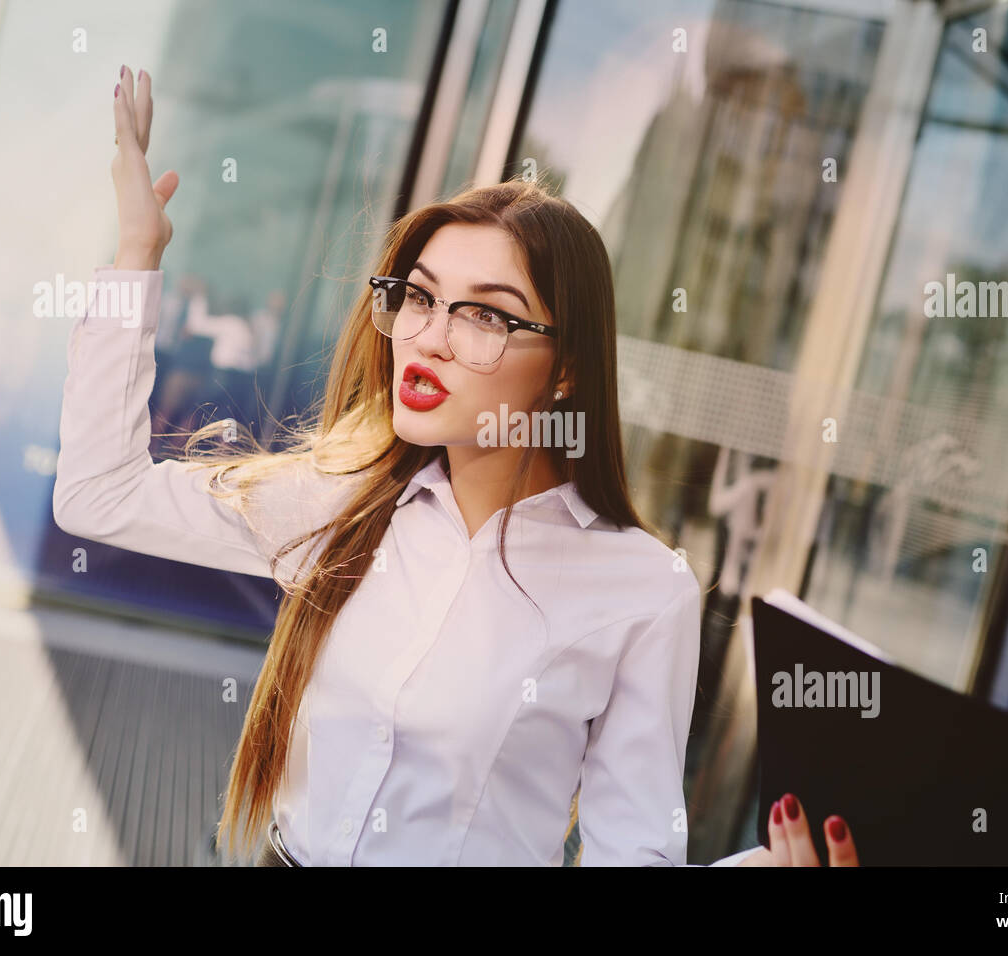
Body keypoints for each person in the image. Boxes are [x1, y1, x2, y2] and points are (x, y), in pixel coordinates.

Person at [54, 64, 859, 868]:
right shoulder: (343, 504)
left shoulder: (644, 591)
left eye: (483, 314)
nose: (429, 336)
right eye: (420, 296)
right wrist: (137, 250)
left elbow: (630, 854)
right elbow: (99, 496)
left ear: (568, 367)